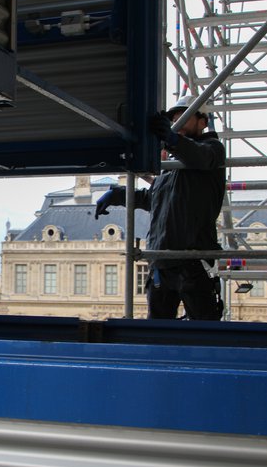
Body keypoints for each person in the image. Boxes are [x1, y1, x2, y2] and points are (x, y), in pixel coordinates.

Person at [95, 95, 225, 320]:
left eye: (183, 118)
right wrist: (119, 195)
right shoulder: (170, 168)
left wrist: (173, 140)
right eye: (173, 120)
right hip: (162, 261)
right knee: (156, 331)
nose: (177, 123)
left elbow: (199, 157)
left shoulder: (212, 149)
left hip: (193, 261)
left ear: (203, 122)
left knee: (205, 331)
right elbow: (153, 198)